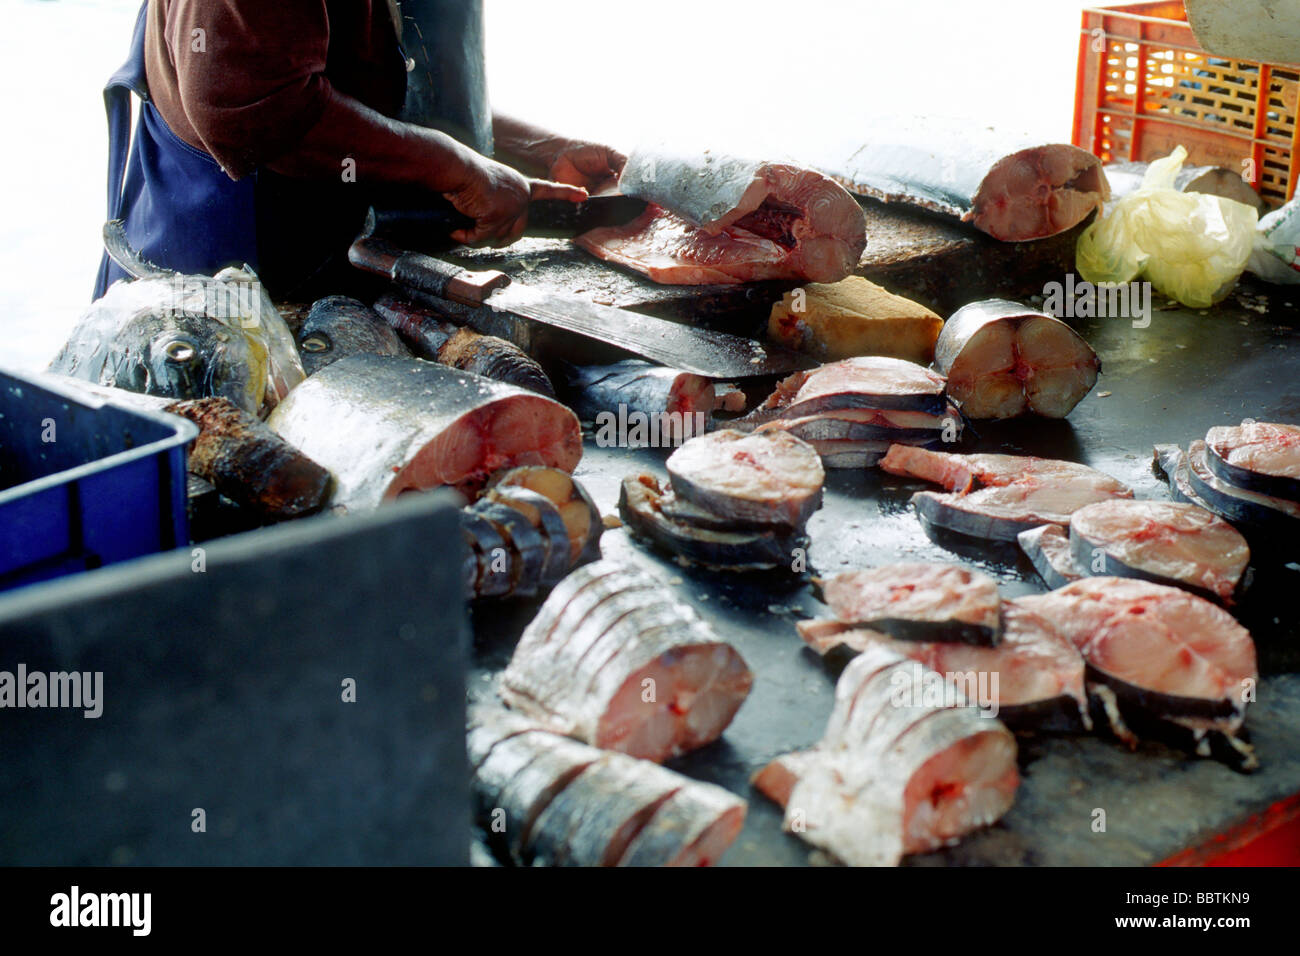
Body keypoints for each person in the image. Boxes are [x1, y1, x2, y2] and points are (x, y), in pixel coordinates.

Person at [94, 0, 626, 300]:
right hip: (219, 290)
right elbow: (251, 108)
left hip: (353, 267)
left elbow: (378, 75)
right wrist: (462, 171)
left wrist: (525, 148)